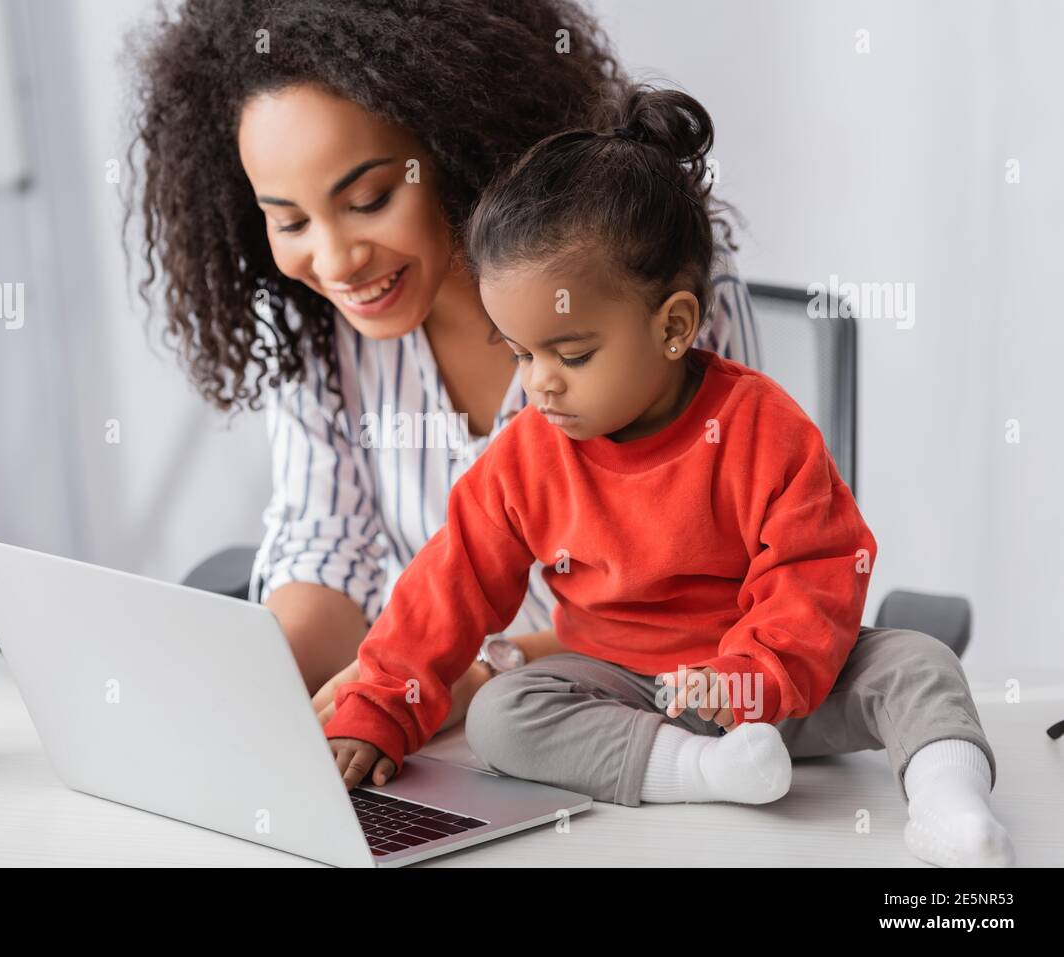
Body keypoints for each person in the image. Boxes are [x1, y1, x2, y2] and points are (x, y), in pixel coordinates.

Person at [321, 84, 1015, 869]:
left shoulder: (760, 428)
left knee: (918, 662)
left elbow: (818, 569)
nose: (538, 383)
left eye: (570, 354)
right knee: (502, 716)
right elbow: (446, 587)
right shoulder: (526, 455)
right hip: (622, 694)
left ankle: (951, 806)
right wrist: (376, 708)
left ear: (675, 325)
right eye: (520, 353)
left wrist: (752, 678)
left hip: (774, 688)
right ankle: (701, 774)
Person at [124, 0, 761, 719]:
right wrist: (257, 681)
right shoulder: (316, 325)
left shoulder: (649, 282)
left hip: (643, 730)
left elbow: (708, 594)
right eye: (290, 221)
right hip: (433, 736)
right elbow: (327, 550)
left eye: (369, 199)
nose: (335, 261)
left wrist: (477, 675)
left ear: (457, 146)